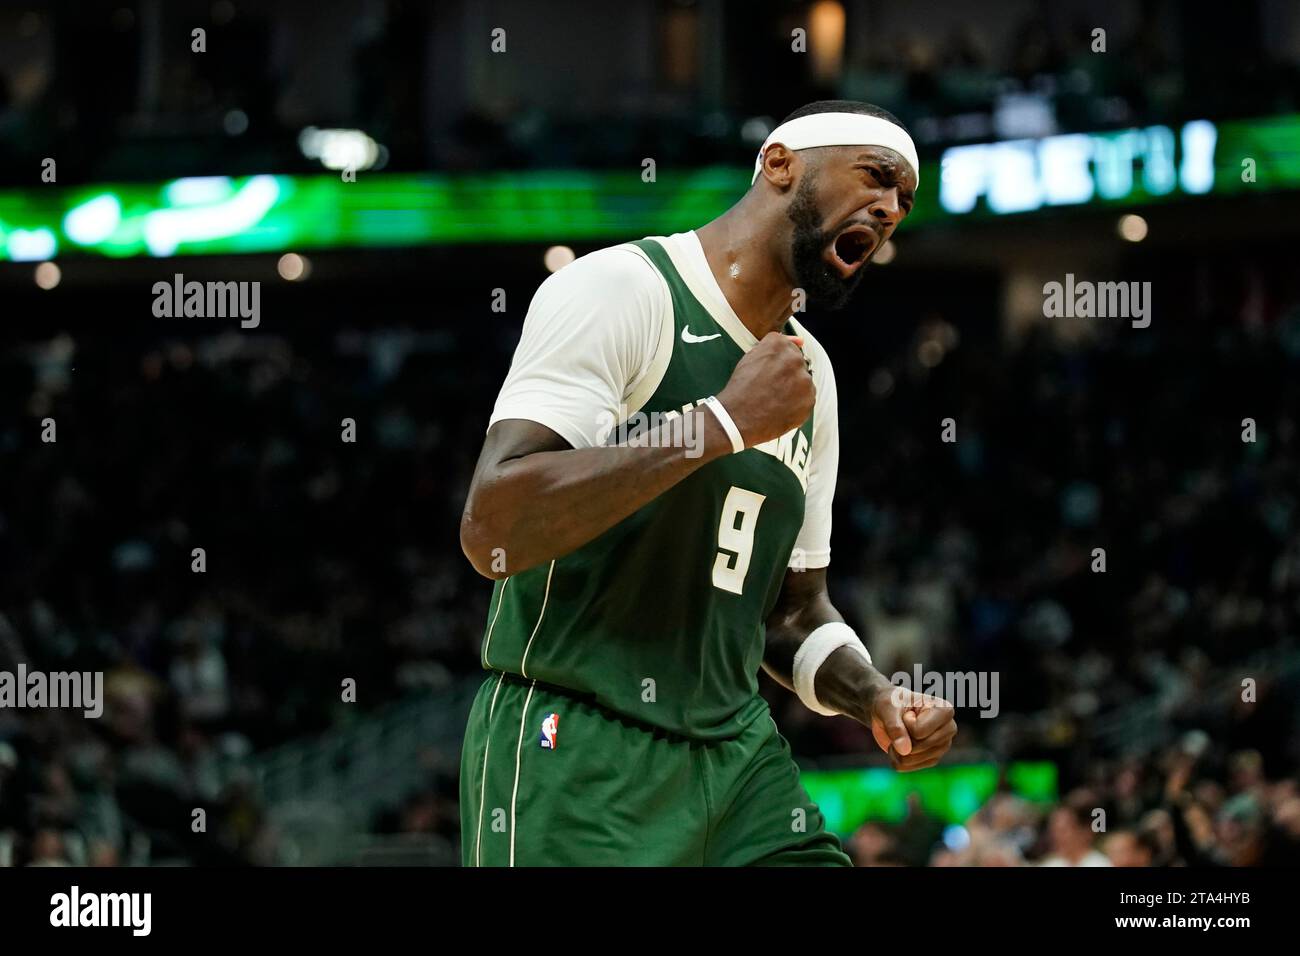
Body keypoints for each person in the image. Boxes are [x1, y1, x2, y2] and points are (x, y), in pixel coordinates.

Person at [458, 100, 957, 866]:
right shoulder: (626, 289)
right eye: (877, 176)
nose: (890, 207)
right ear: (781, 164)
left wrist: (875, 695)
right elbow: (495, 527)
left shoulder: (810, 374)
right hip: (580, 741)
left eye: (904, 201)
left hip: (737, 755)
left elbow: (791, 612)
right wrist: (717, 426)